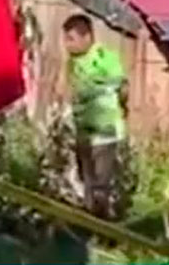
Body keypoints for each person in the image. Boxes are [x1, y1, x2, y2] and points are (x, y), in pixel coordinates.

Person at [62, 13, 129, 220]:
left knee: (101, 183)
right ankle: (91, 224)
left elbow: (123, 87)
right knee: (87, 181)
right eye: (66, 39)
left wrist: (119, 109)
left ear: (87, 37)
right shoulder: (73, 62)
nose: (67, 45)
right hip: (84, 131)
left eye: (71, 39)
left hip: (104, 131)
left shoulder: (104, 58)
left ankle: (104, 227)